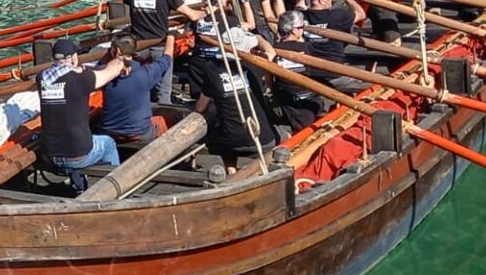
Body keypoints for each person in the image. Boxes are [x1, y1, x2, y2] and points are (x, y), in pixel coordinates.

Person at [38, 37, 126, 189]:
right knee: (108, 143)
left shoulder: (41, 78)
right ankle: (115, 188)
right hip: (76, 156)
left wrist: (81, 70)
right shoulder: (81, 80)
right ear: (73, 58)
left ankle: (79, 185)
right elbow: (110, 71)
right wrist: (120, 59)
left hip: (49, 154)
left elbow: (63, 76)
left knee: (76, 139)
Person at [188, 26, 276, 172]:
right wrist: (258, 38)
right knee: (284, 135)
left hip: (232, 141)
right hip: (262, 138)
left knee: (220, 135)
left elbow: (200, 107)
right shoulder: (254, 64)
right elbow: (271, 52)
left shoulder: (211, 69)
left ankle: (231, 170)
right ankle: (263, 168)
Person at [95, 34, 176, 151]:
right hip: (139, 134)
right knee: (167, 120)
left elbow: (100, 65)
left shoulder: (104, 73)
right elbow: (167, 58)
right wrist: (171, 38)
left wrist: (111, 54)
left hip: (109, 131)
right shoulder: (146, 73)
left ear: (116, 51)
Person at [270, 10, 327, 133]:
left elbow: (269, 80)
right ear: (294, 30)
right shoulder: (307, 47)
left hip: (286, 99)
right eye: (302, 27)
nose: (303, 30)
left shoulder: (273, 50)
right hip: (307, 97)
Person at [300, 0, 366, 64]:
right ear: (322, 0)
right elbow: (361, 14)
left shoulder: (300, 16)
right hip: (334, 70)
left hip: (308, 66)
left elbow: (299, 6)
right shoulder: (337, 15)